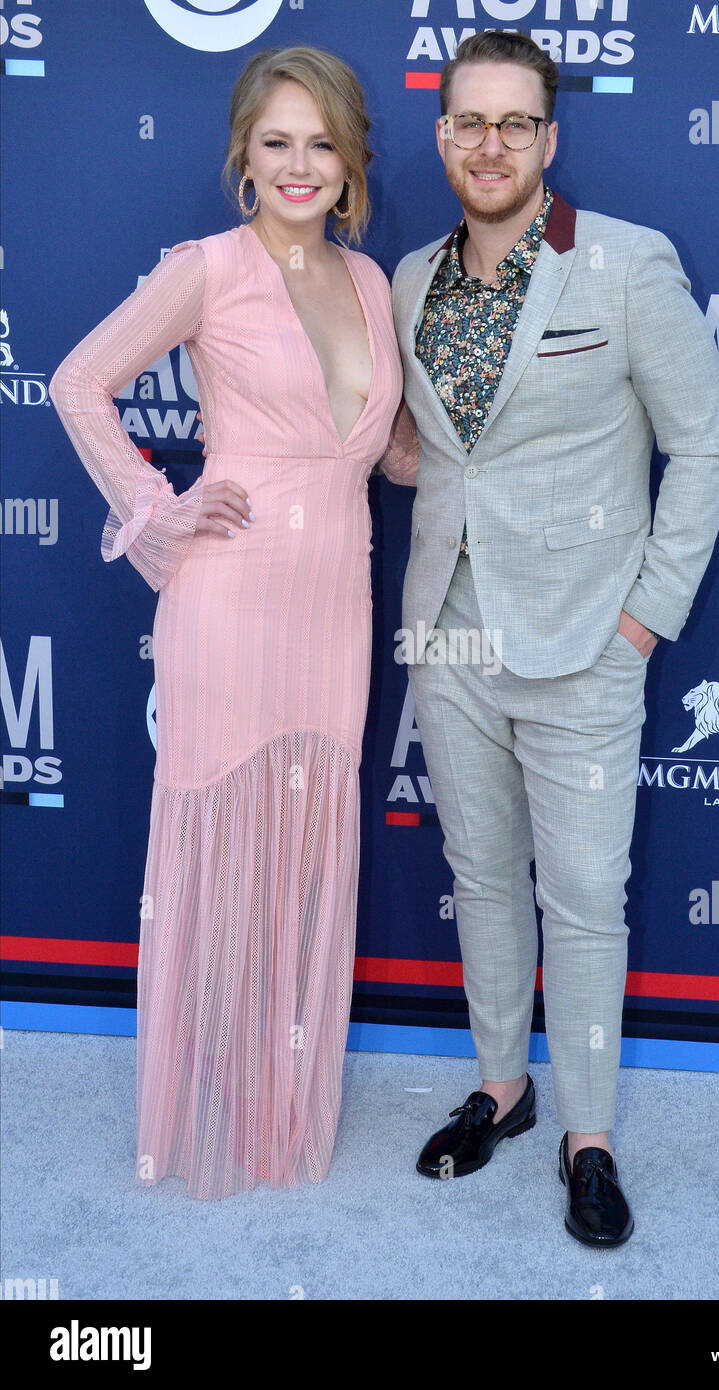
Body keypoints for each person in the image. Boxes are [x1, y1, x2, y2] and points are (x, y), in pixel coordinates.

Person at [48, 45, 417, 1200]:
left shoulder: (366, 283)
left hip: (335, 606)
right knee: (221, 847)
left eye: (321, 142)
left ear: (351, 160)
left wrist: (510, 459)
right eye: (276, 143)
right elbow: (75, 382)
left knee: (303, 860)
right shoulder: (206, 269)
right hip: (231, 597)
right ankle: (218, 1094)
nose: (300, 165)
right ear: (242, 160)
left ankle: (276, 1090)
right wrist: (157, 506)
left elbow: (392, 450)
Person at [390, 31, 719, 1244]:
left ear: (549, 139)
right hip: (447, 638)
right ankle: (504, 1087)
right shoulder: (405, 278)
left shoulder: (627, 266)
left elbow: (703, 443)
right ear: (441, 136)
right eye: (467, 123)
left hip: (590, 637)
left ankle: (588, 1136)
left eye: (513, 125)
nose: (489, 145)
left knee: (585, 895)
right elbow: (433, 451)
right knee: (481, 876)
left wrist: (646, 618)